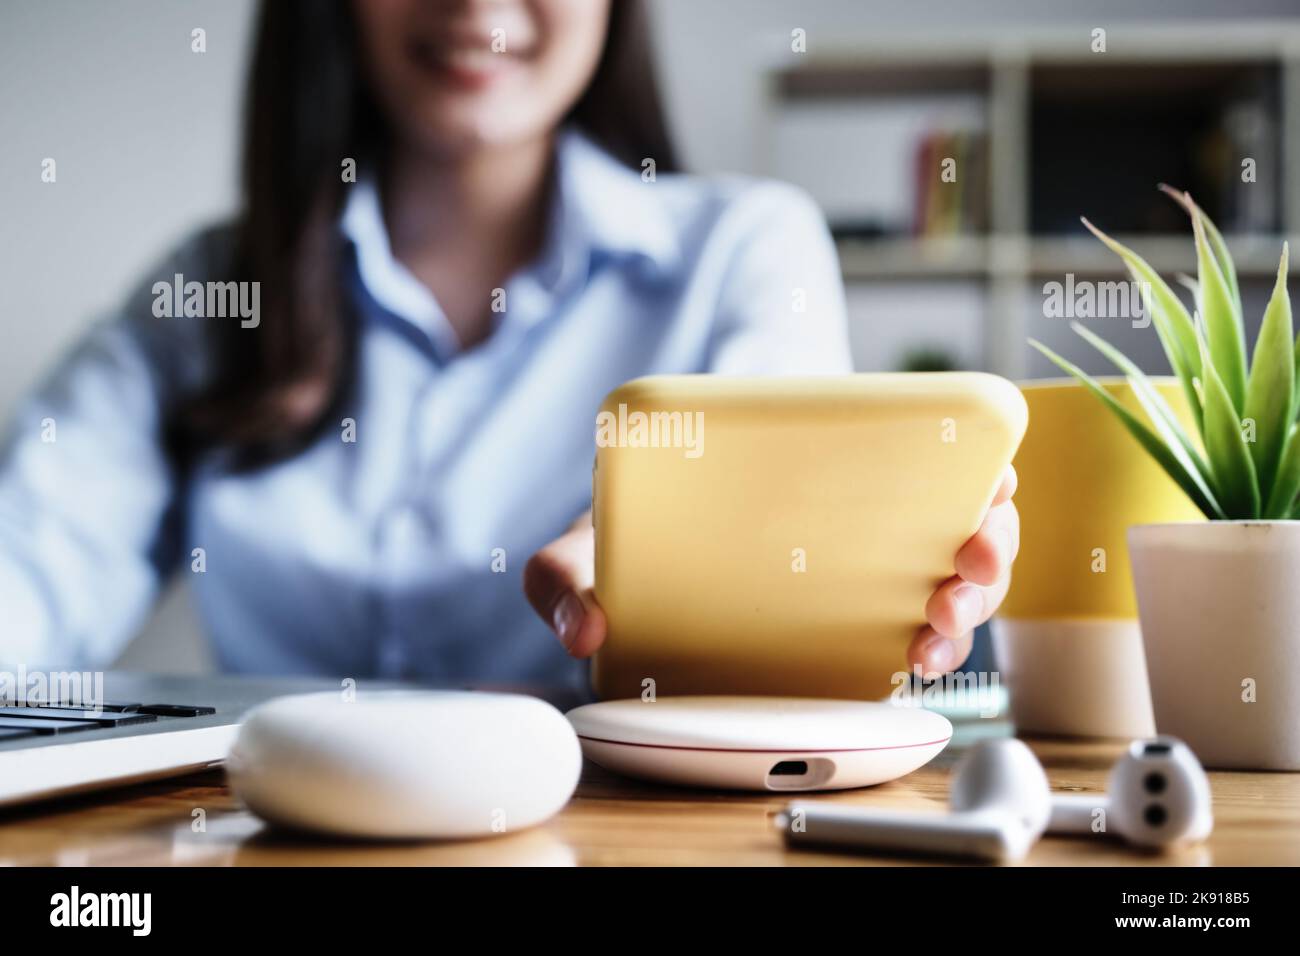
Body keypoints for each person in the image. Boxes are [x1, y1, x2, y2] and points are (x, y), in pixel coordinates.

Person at [0, 0, 1018, 693]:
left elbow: (786, 542)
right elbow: (33, 555)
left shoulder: (745, 249)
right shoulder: (209, 291)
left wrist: (756, 556)